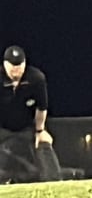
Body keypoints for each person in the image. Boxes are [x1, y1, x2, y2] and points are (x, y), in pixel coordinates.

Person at [0, 45, 63, 183]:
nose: (16, 71)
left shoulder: (36, 79)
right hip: (3, 126)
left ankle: (54, 183)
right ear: (5, 65)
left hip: (27, 126)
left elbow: (41, 108)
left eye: (19, 66)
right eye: (12, 67)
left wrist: (40, 130)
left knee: (44, 142)